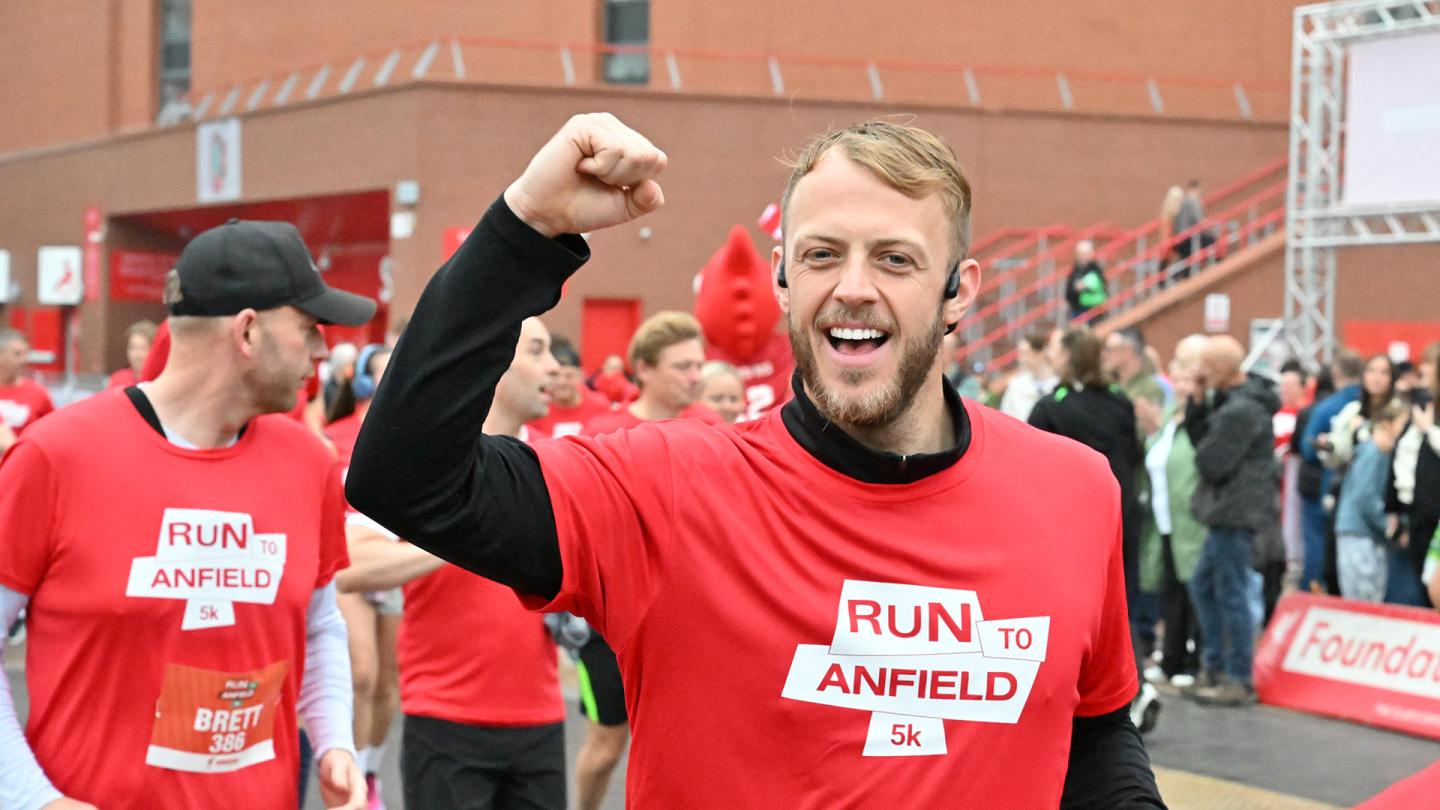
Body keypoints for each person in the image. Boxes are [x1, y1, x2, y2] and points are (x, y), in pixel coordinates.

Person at [346, 114, 1163, 807]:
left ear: (959, 291)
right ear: (779, 279)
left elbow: (1091, 731)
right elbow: (407, 478)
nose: (851, 287)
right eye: (819, 255)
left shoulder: (1073, 488)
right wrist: (524, 227)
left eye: (895, 259)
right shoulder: (663, 489)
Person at [0, 218, 373, 809]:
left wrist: (334, 744)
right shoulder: (56, 456)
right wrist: (31, 799)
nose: (324, 350)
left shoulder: (309, 464)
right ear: (248, 331)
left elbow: (319, 625)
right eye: (309, 328)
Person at [338, 317, 567, 810]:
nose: (555, 366)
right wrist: (462, 531)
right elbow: (346, 563)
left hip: (541, 720)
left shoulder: (557, 459)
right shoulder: (428, 459)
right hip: (446, 719)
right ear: (497, 360)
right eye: (537, 351)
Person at [1029, 326, 1155, 732]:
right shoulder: (1120, 402)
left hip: (1072, 522)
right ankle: (1133, 685)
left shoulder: (1052, 406)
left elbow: (1030, 463)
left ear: (1067, 357)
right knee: (1120, 603)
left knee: (1078, 608)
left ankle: (1105, 692)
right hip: (1121, 515)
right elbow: (1134, 455)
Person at [324, 343, 401, 809]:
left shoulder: (408, 433)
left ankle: (371, 768)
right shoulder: (335, 435)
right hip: (351, 563)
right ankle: (349, 773)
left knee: (390, 681)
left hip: (394, 561)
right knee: (364, 674)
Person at [1183, 336, 1279, 707]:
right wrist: (1197, 403)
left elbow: (1210, 461)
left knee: (1231, 592)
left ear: (1220, 369)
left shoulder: (1240, 411)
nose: (1199, 372)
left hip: (1233, 514)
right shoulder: (1238, 404)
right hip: (1230, 513)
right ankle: (1216, 667)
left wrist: (1205, 414)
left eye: (1204, 366)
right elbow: (1203, 443)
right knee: (1204, 586)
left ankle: (1237, 676)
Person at [1138, 348, 1206, 691]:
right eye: (1176, 378)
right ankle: (1172, 658)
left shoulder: (1200, 418)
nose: (1181, 385)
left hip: (1192, 518)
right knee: (1172, 592)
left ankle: (1194, 663)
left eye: (1188, 378)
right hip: (1164, 517)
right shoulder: (1168, 416)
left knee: (1194, 591)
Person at [583, 311, 720, 433]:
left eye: (699, 366)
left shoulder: (709, 425)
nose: (695, 377)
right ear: (644, 369)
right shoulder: (607, 433)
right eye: (683, 367)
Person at [1298, 350, 1365, 593]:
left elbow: (1308, 446)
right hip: (1361, 489)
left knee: (1319, 540)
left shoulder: (1328, 407)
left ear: (1336, 374)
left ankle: (1313, 588)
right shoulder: (1369, 403)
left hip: (1331, 485)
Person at [1334, 398, 1411, 601]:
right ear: (1387, 424)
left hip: (1367, 535)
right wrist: (1390, 527)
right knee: (1362, 599)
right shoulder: (1372, 452)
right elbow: (1365, 496)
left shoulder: (1381, 454)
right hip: (1358, 535)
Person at [1395, 343, 1440, 607]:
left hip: (1433, 507)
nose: (1422, 369)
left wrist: (1428, 430)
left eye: (1429, 364)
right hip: (1421, 507)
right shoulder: (1425, 403)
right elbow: (1405, 451)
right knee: (1423, 580)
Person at [527, 336, 614, 438]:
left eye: (569, 376)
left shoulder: (600, 405)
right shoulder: (537, 409)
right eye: (556, 375)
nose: (562, 382)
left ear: (581, 376)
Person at [0, 328, 54, 455]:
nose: (24, 360)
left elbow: (52, 430)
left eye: (26, 354)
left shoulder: (37, 392)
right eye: (17, 354)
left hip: (23, 463)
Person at [998, 333, 1057, 422]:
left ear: (1040, 353)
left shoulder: (1061, 384)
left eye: (1025, 353)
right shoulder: (1016, 386)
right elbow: (1005, 417)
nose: (1021, 359)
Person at [107, 319, 159, 389]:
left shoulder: (161, 381)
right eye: (132, 348)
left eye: (144, 348)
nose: (137, 355)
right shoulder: (118, 379)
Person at [1065, 240, 1107, 321]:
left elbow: (1100, 286)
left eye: (1085, 254)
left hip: (1093, 310)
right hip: (1076, 309)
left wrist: (1084, 286)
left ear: (1091, 254)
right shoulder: (1075, 270)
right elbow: (1069, 288)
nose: (1082, 257)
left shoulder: (1095, 269)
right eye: (1080, 254)